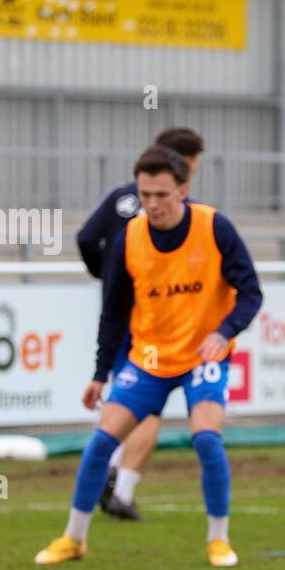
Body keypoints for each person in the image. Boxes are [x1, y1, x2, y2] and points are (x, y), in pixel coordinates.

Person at [35, 145, 262, 568]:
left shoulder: (215, 227)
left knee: (207, 438)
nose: (152, 204)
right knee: (101, 442)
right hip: (150, 358)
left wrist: (224, 331)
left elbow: (251, 293)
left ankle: (219, 540)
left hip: (202, 356)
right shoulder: (129, 238)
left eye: (161, 194)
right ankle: (74, 538)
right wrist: (99, 374)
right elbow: (115, 312)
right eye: (145, 194)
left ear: (184, 189)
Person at [75, 127, 207, 520]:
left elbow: (84, 238)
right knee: (147, 409)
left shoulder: (120, 196)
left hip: (119, 317)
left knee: (120, 401)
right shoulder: (182, 206)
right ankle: (122, 488)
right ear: (184, 164)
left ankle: (104, 470)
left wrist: (109, 278)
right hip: (156, 321)